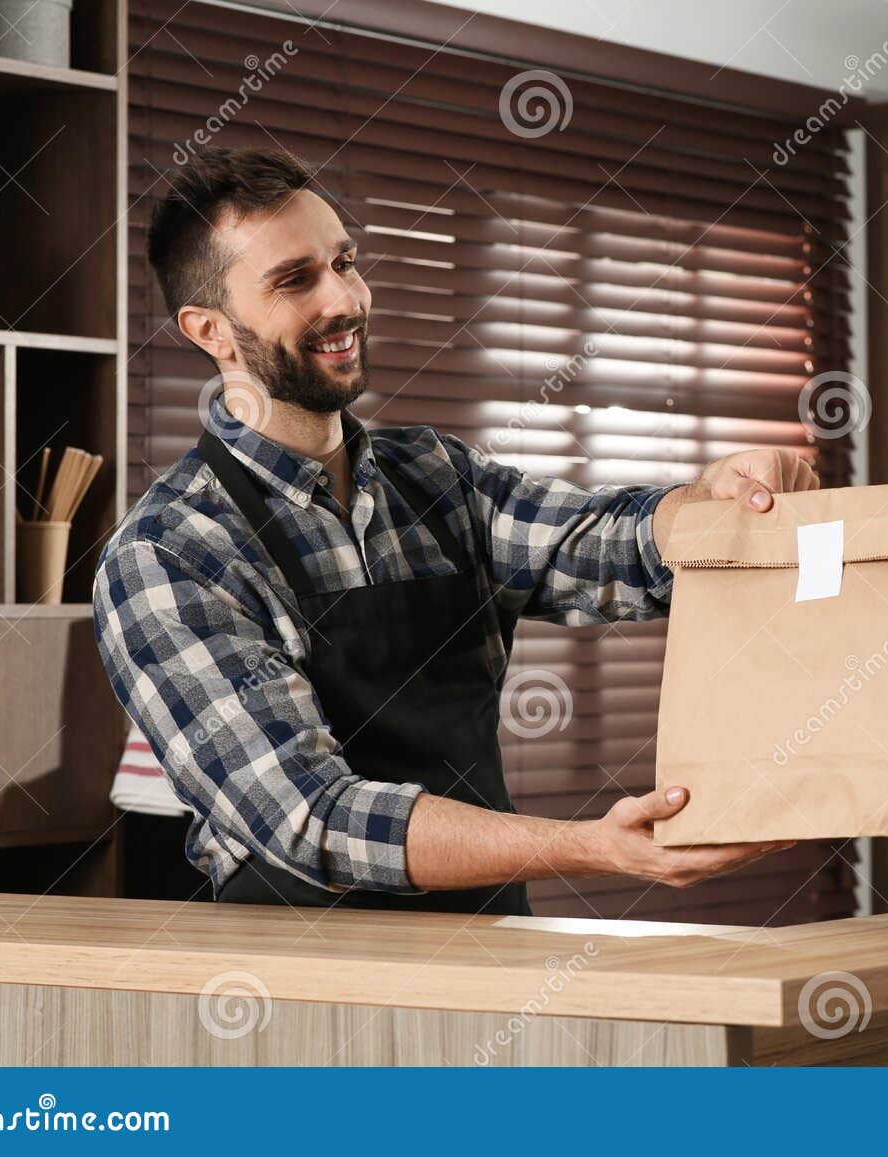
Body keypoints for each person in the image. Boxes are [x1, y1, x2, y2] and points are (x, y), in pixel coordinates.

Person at [94, 146, 818, 914]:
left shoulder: (438, 476)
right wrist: (588, 846)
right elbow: (315, 819)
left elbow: (608, 544)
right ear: (209, 329)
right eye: (294, 280)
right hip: (305, 986)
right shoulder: (167, 554)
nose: (343, 300)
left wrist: (711, 500)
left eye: (345, 261)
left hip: (490, 945)